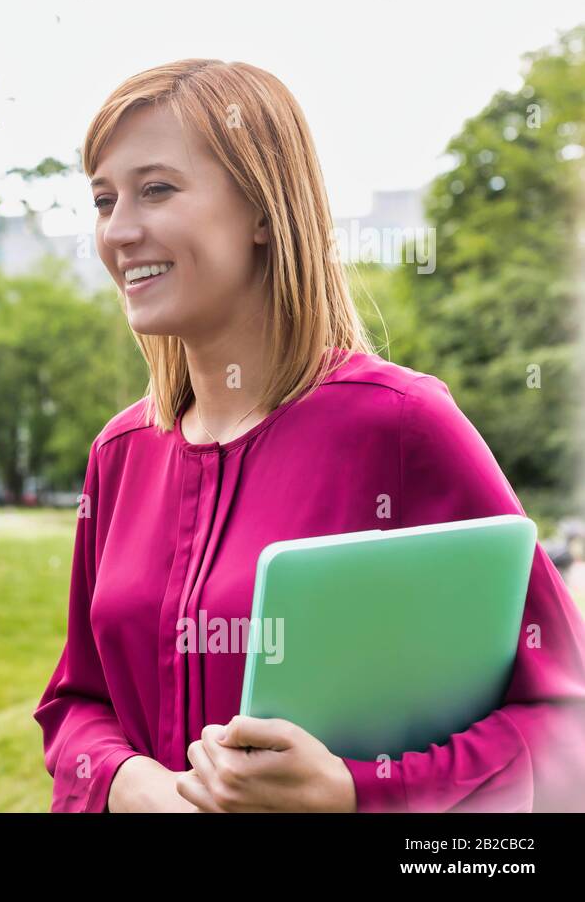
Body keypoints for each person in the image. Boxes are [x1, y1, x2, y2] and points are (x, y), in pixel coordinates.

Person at [34, 59, 585, 812]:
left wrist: (357, 791)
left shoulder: (401, 425)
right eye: (104, 200)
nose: (119, 231)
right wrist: (131, 784)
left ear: (263, 210)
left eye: (156, 189)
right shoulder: (119, 455)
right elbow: (75, 703)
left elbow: (562, 724)